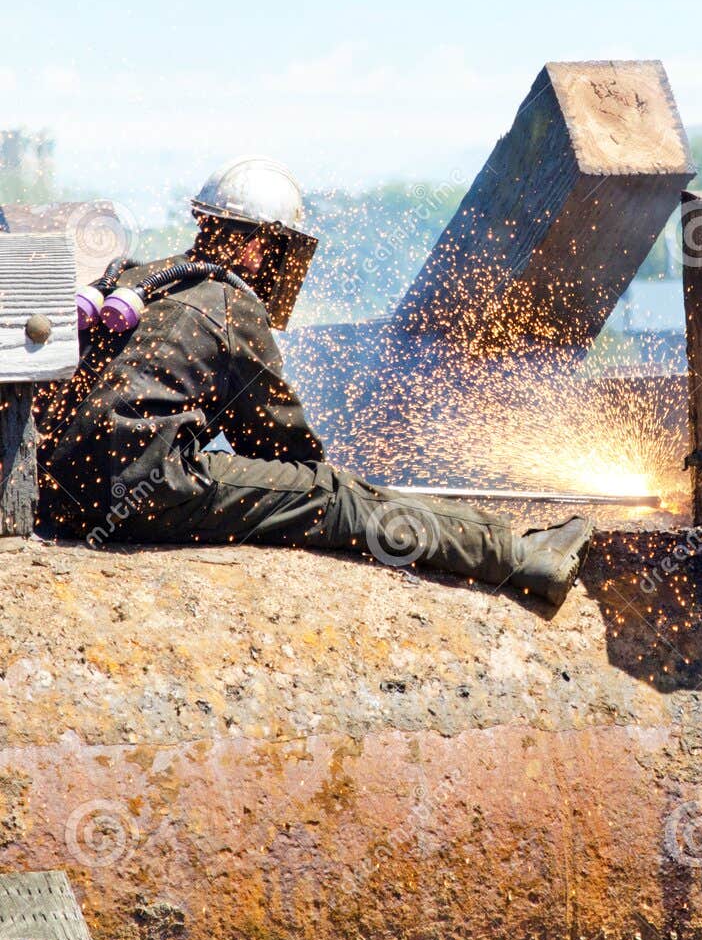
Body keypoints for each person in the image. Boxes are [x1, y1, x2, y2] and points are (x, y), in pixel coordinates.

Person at [35, 158, 592, 606]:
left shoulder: (137, 282)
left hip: (59, 498)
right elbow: (288, 450)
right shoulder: (229, 303)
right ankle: (520, 556)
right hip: (144, 488)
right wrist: (336, 484)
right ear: (259, 246)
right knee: (335, 496)